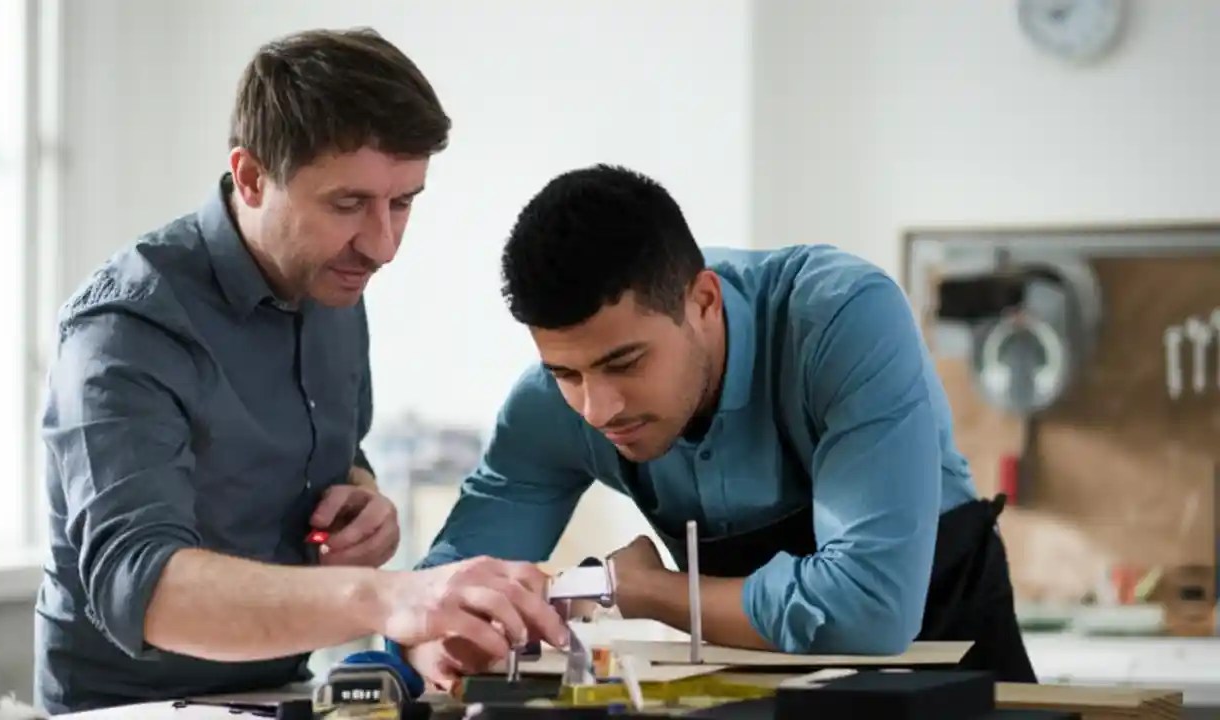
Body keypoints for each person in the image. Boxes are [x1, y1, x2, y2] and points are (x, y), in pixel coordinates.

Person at [34, 28, 568, 715]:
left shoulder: (331, 280)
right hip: (127, 711)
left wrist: (361, 498)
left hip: (280, 691)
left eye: (402, 202)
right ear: (252, 177)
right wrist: (393, 594)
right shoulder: (127, 328)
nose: (383, 246)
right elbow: (143, 587)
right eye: (348, 205)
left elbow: (339, 451)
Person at [398, 164, 1037, 689]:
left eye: (626, 362)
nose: (597, 409)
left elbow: (868, 610)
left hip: (953, 666)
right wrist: (432, 644)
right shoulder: (548, 405)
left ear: (702, 301)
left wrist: (648, 590)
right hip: (757, 694)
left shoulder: (841, 320)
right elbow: (440, 584)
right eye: (567, 373)